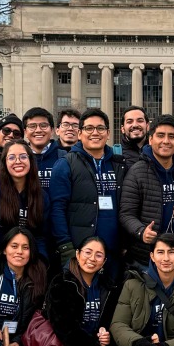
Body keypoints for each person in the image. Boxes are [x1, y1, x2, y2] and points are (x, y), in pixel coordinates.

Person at [45, 237, 117, 346]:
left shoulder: (108, 286)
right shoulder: (63, 282)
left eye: (99, 255)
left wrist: (108, 335)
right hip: (67, 343)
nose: (92, 258)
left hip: (95, 342)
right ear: (77, 254)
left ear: (104, 261)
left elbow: (114, 320)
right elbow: (64, 328)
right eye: (88, 252)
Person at [49, 108, 125, 272]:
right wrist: (65, 247)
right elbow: (57, 209)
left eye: (100, 128)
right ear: (80, 133)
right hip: (78, 252)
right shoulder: (65, 164)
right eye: (89, 128)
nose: (95, 133)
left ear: (108, 133)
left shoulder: (120, 165)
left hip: (112, 253)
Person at [119, 114, 174, 266]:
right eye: (160, 135)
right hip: (146, 258)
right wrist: (141, 231)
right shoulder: (137, 172)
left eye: (171, 136)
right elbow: (126, 214)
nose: (166, 141)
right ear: (150, 140)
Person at [0, 139, 48, 276]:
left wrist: (41, 262)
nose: (18, 161)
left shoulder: (41, 195)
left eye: (23, 157)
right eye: (11, 157)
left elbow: (41, 234)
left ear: (31, 161)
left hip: (27, 262)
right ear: (5, 163)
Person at [22, 107, 65, 190]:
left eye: (43, 125)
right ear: (25, 132)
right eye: (32, 126)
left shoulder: (64, 158)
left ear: (52, 130)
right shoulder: (18, 159)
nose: (38, 130)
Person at [118, 105, 149, 173]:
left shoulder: (158, 152)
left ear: (147, 126)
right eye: (129, 122)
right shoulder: (114, 155)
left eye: (140, 121)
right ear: (122, 129)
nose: (135, 125)